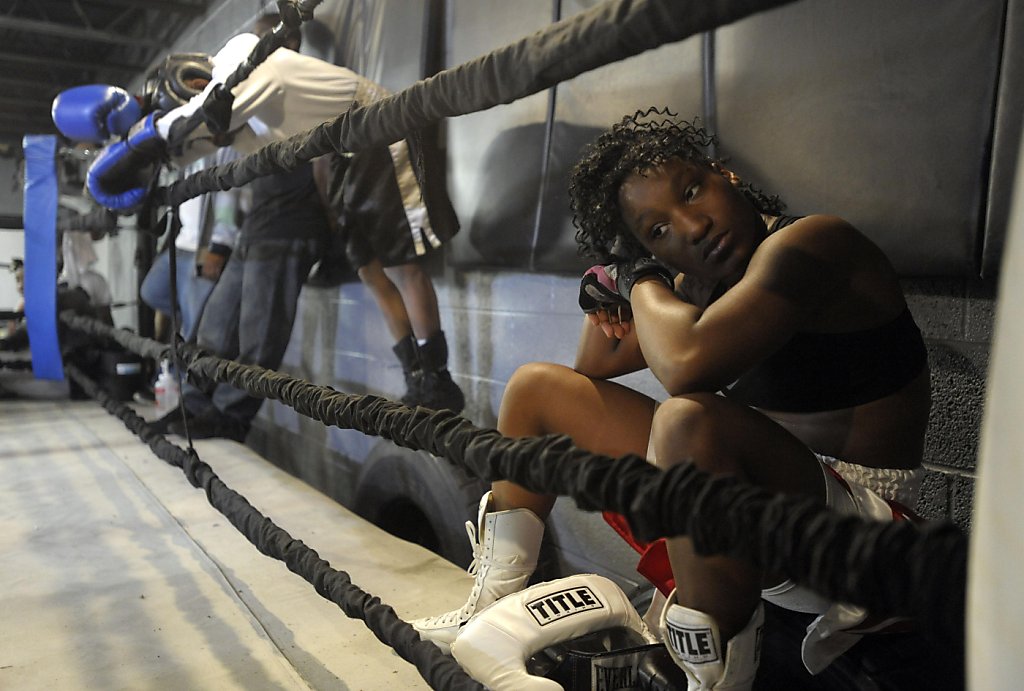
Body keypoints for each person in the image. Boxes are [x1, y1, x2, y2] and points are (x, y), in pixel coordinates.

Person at [411, 110, 931, 689]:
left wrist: (637, 276)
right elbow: (595, 367)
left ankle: (712, 682)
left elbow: (687, 366)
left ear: (724, 176)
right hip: (756, 507)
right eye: (659, 231)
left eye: (691, 192)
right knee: (536, 389)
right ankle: (488, 603)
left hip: (861, 529)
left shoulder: (813, 243)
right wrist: (611, 288)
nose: (692, 227)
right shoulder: (697, 286)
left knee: (689, 419)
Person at [76, 12, 464, 412]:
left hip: (379, 130)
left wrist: (143, 138)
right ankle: (415, 376)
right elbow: (192, 142)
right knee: (369, 269)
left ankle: (438, 378)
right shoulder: (235, 102)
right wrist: (130, 161)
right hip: (339, 152)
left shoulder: (250, 63)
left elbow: (193, 121)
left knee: (402, 267)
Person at [139, 146, 242, 344]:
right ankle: (193, 321)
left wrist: (220, 246)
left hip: (205, 248)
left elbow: (231, 198)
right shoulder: (193, 150)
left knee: (192, 327)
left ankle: (185, 372)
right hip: (182, 242)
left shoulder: (230, 148)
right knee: (151, 291)